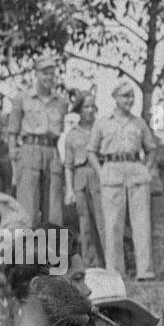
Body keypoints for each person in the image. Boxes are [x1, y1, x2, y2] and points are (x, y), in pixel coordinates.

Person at [88, 81, 156, 281]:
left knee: (142, 223)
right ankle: (115, 273)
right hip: (111, 170)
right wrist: (101, 172)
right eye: (125, 96)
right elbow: (91, 151)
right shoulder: (102, 122)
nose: (129, 100)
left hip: (135, 169)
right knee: (112, 224)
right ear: (115, 98)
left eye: (132, 96)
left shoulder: (139, 123)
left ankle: (145, 272)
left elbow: (151, 148)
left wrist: (146, 168)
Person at [7, 57, 67, 229]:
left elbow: (60, 132)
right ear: (36, 74)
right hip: (29, 150)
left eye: (51, 74)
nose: (48, 77)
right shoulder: (22, 98)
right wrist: (14, 168)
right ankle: (23, 253)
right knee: (27, 208)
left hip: (51, 152)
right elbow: (12, 134)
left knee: (54, 210)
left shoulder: (61, 102)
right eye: (44, 73)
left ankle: (53, 254)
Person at [63, 90, 105, 270]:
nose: (90, 110)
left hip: (100, 174)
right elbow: (68, 165)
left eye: (92, 106)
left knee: (103, 222)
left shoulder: (102, 128)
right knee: (85, 223)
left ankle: (109, 265)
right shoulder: (72, 134)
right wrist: (70, 190)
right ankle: (90, 265)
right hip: (80, 177)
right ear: (79, 110)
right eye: (86, 107)